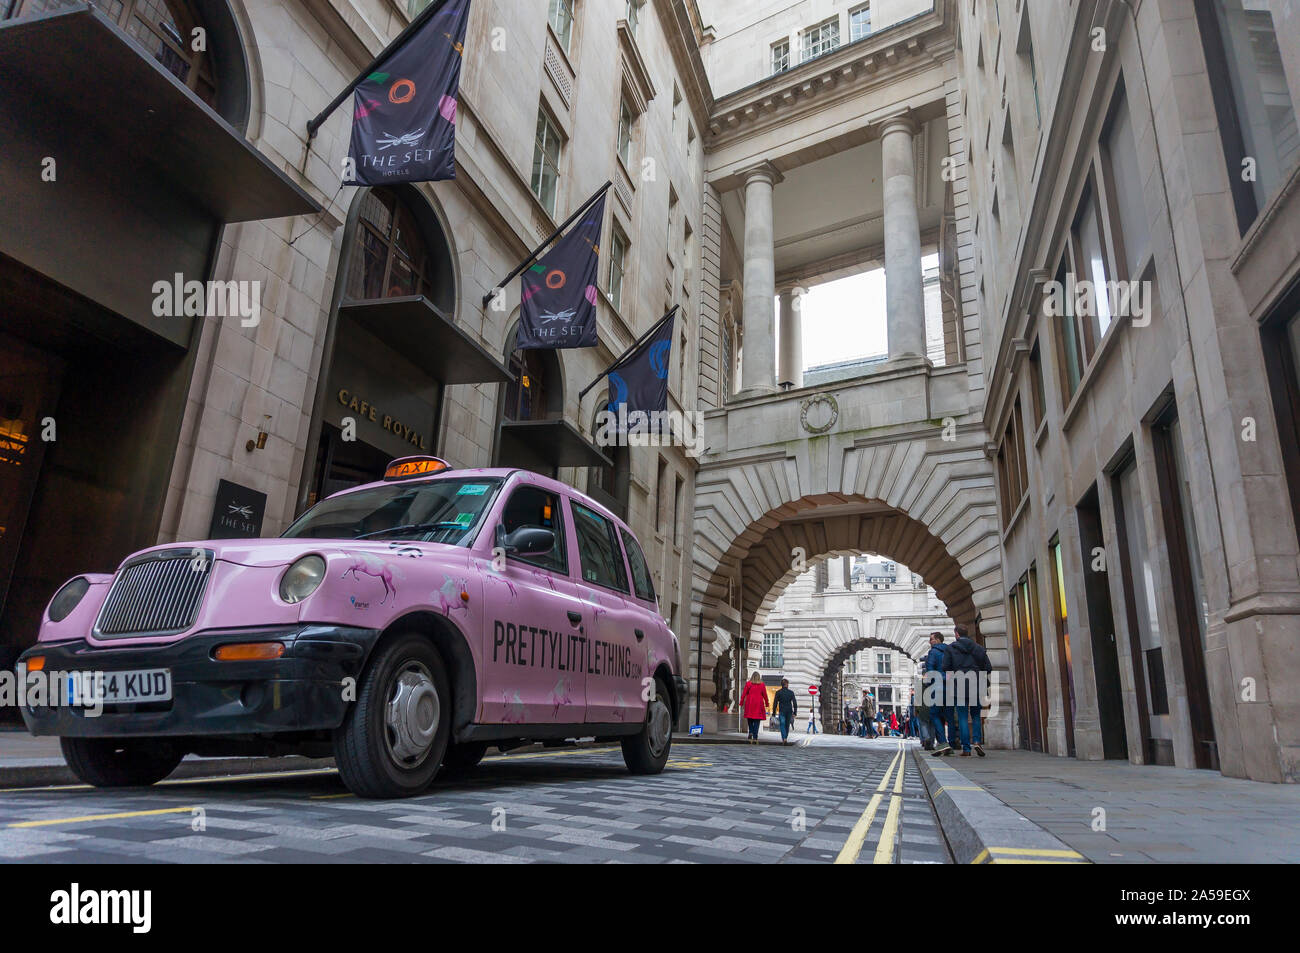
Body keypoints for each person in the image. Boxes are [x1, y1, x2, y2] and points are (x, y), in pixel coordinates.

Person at [945, 623, 993, 756]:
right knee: (976, 715)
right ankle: (977, 741)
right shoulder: (979, 648)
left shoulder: (950, 649)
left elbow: (946, 668)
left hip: (958, 685)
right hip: (977, 685)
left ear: (957, 634)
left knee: (962, 717)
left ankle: (966, 748)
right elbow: (988, 668)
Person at [925, 632, 954, 756]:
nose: (929, 642)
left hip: (937, 687)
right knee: (949, 716)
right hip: (951, 687)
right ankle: (950, 745)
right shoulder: (950, 651)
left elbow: (930, 671)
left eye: (931, 639)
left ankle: (942, 742)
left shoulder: (933, 652)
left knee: (934, 714)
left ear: (937, 640)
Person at [739, 671, 768, 743]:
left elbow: (744, 694)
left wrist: (741, 703)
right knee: (757, 721)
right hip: (758, 704)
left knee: (750, 719)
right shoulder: (762, 685)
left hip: (750, 703)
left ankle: (751, 732)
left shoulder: (748, 684)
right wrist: (767, 703)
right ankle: (755, 737)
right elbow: (765, 695)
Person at [773, 678, 798, 745]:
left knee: (782, 724)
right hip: (789, 711)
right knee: (787, 725)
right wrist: (795, 712)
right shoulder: (791, 692)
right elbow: (795, 703)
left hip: (782, 710)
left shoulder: (778, 692)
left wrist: (774, 712)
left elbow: (775, 703)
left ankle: (784, 738)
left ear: (781, 684)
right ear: (787, 684)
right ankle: (785, 738)